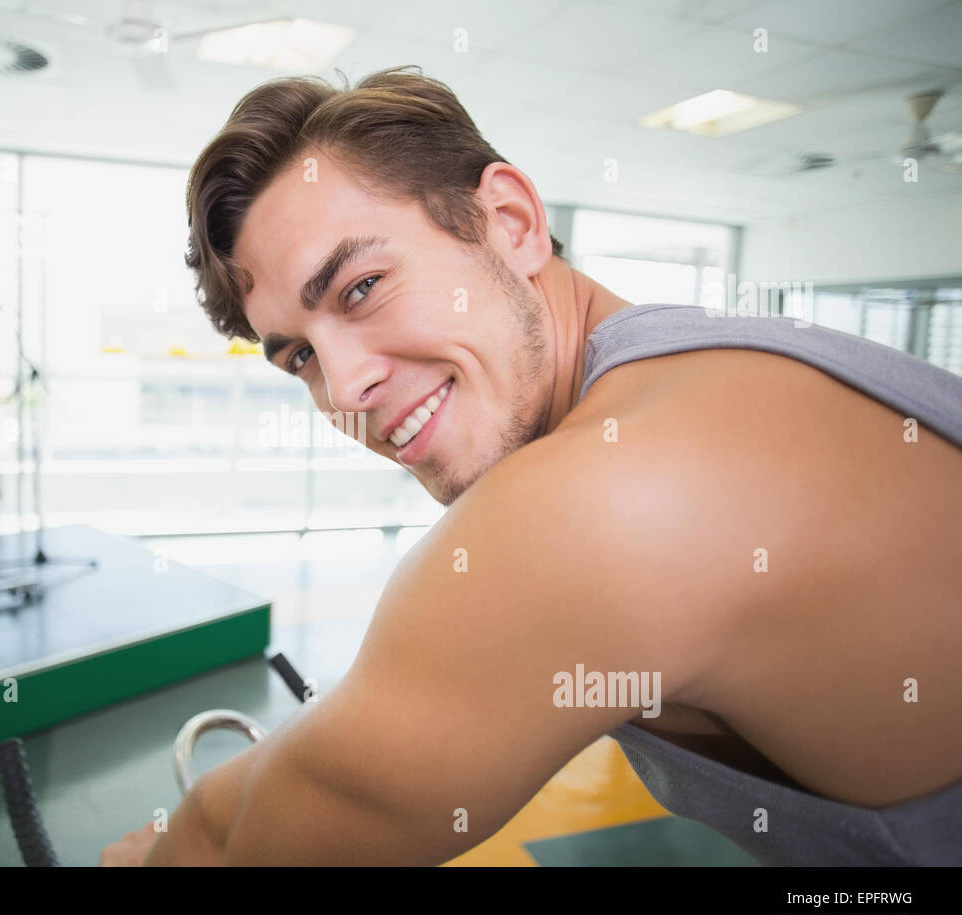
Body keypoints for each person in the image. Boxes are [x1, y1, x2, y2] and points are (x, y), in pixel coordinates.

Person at [101, 66, 962, 866]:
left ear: (510, 223)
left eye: (361, 287)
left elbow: (241, 845)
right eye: (300, 358)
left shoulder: (607, 497)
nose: (346, 388)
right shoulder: (687, 376)